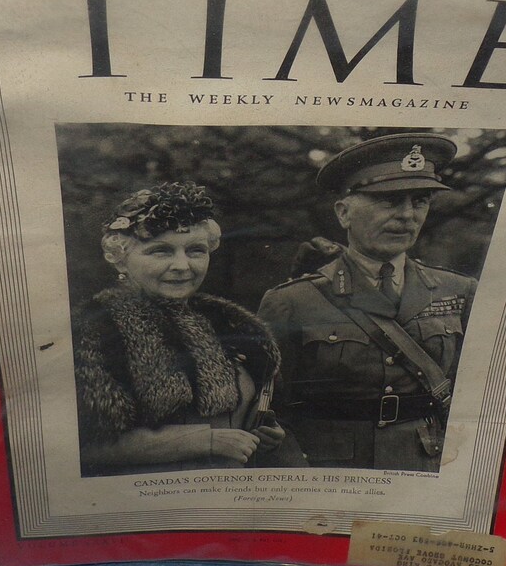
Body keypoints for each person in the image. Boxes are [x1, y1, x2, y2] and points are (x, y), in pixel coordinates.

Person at [258, 133, 477, 472]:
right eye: (389, 201)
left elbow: (479, 401)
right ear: (344, 213)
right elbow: (267, 416)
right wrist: (300, 483)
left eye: (419, 201)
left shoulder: (458, 291)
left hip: (429, 469)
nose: (407, 216)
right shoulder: (292, 302)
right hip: (332, 478)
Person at [72, 181, 293, 475]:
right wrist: (205, 441)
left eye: (195, 250)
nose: (182, 265)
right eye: (160, 251)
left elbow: (252, 414)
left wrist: (266, 435)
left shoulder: (231, 326)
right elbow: (82, 445)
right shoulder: (95, 330)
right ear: (121, 259)